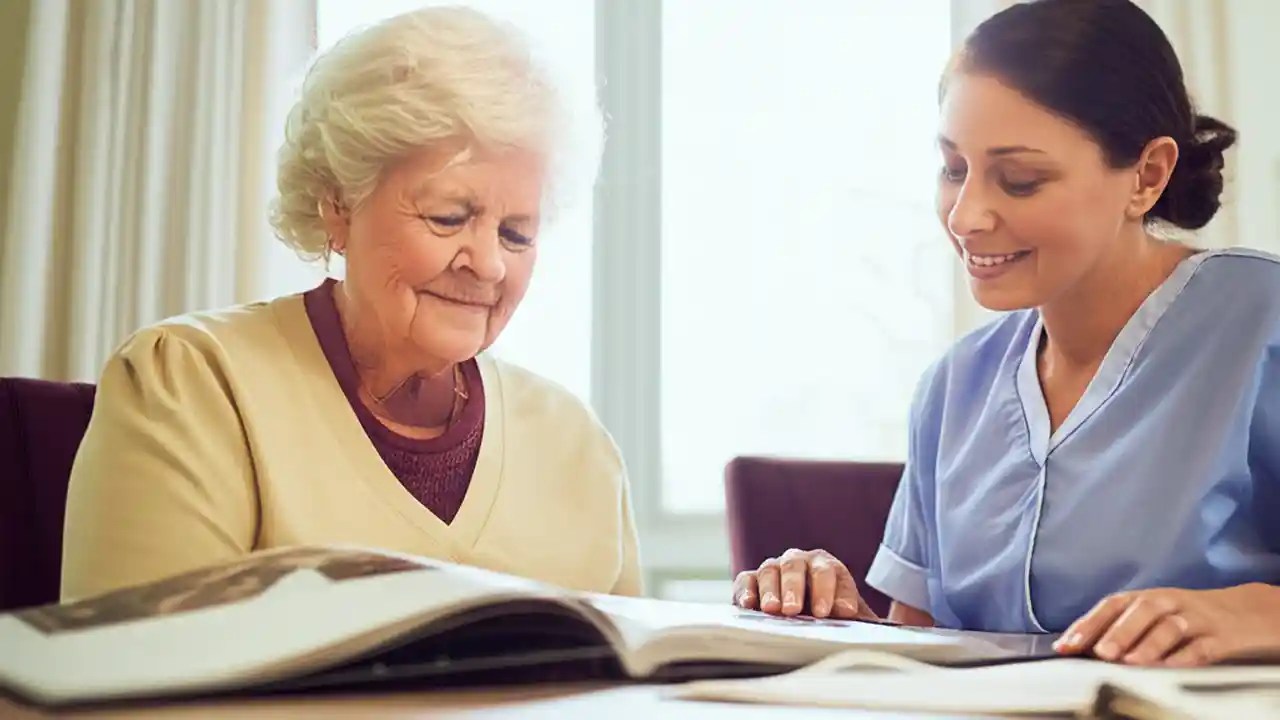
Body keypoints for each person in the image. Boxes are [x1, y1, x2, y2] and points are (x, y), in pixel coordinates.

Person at [734, 0, 1280, 667]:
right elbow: (922, 657)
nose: (966, 217)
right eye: (953, 169)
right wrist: (833, 614)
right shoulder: (954, 389)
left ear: (1147, 175)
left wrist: (1257, 611)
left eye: (1019, 180)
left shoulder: (1263, 327)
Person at [61, 7, 641, 602]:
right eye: (448, 217)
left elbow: (646, 685)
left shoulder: (578, 446)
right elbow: (137, 674)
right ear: (338, 205)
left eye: (517, 234)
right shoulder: (190, 384)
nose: (489, 264)